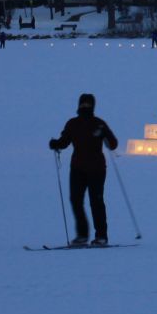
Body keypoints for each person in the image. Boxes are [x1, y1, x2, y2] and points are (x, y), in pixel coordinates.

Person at [48, 94, 119, 246]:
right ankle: (83, 235)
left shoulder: (98, 124)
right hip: (78, 169)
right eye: (83, 105)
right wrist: (56, 144)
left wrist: (104, 135)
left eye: (87, 105)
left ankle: (101, 236)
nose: (85, 107)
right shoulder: (74, 124)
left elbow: (113, 144)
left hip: (96, 169)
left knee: (96, 201)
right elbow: (64, 142)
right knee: (76, 201)